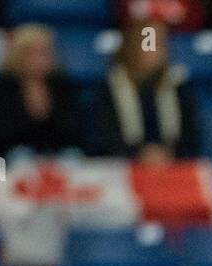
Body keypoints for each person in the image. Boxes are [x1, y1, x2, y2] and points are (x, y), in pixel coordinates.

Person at [86, 20, 202, 162]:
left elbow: (192, 138)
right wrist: (138, 155)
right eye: (151, 44)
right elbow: (101, 140)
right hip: (124, 171)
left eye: (161, 44)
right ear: (133, 47)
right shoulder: (110, 88)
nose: (158, 52)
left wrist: (168, 154)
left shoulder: (177, 86)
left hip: (170, 169)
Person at [0, 24, 84, 159]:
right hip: (14, 154)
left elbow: (74, 129)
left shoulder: (62, 87)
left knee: (72, 156)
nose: (40, 59)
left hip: (58, 153)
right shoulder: (5, 88)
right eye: (33, 53)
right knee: (20, 156)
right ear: (18, 56)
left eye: (45, 52)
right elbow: (0, 132)